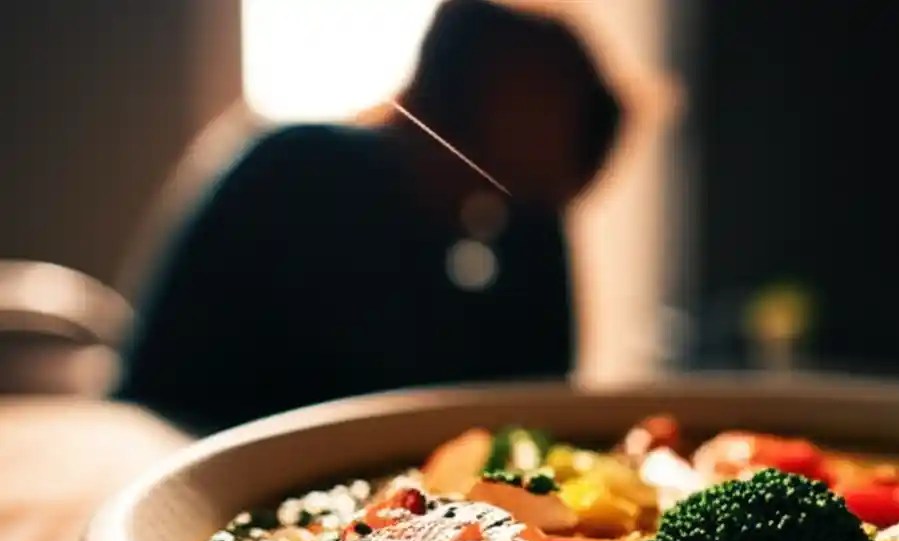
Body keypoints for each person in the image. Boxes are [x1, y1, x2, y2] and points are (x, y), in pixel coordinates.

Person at [113, 0, 622, 434]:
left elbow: (541, 401)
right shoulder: (299, 173)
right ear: (493, 89)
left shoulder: (509, 224)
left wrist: (540, 225)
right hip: (192, 447)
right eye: (549, 100)